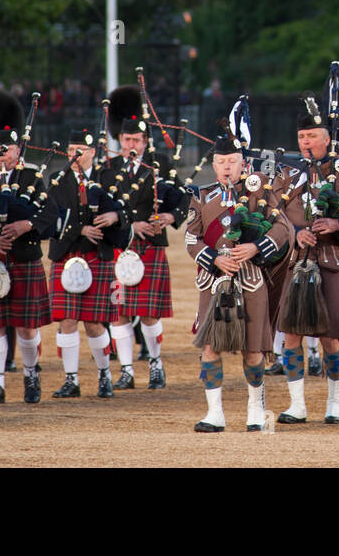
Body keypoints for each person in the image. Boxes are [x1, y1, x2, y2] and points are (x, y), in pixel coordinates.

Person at [273, 91, 339, 424]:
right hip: (297, 262)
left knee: (330, 336)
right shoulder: (287, 176)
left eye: (313, 137)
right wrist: (294, 232)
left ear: (327, 139)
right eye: (302, 137)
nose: (306, 143)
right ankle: (297, 405)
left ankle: (336, 401)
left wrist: (336, 222)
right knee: (292, 335)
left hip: (332, 261)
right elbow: (271, 213)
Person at [186, 117, 293, 433]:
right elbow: (192, 238)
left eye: (232, 161)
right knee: (210, 347)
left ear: (243, 162)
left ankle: (255, 410)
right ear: (214, 164)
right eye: (221, 162)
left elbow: (283, 228)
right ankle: (214, 413)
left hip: (250, 278)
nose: (226, 167)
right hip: (214, 280)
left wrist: (255, 248)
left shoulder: (260, 191)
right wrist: (214, 261)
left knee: (253, 349)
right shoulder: (203, 196)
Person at [0, 93, 60, 405]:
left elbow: (51, 213)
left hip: (24, 258)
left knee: (26, 325)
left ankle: (31, 376)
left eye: (8, 148)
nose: (2, 153)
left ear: (18, 149)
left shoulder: (32, 175)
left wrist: (27, 225)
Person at [104, 87, 188, 392]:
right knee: (119, 311)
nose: (131, 145)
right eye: (126, 140)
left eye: (136, 140)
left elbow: (184, 197)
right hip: (121, 246)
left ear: (144, 142)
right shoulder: (109, 168)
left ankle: (155, 364)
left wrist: (171, 217)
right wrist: (131, 224)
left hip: (151, 246)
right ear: (120, 140)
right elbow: (104, 208)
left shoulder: (161, 163)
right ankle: (126, 370)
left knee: (150, 313)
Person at [47, 129, 130, 399]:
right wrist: (80, 231)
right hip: (68, 255)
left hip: (98, 257)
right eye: (71, 150)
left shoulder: (109, 177)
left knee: (95, 322)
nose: (75, 156)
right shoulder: (57, 180)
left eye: (80, 151)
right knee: (68, 320)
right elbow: (51, 216)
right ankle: (71, 379)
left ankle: (104, 374)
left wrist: (114, 216)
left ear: (93, 152)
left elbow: (126, 209)